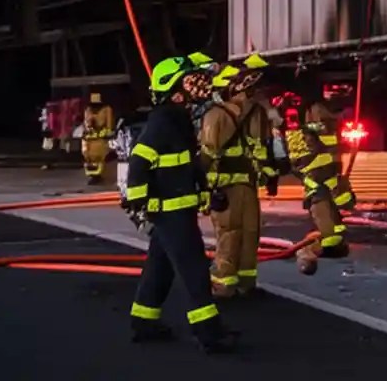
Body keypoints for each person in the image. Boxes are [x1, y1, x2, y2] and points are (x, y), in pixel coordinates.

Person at [122, 56, 237, 354]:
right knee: (194, 268)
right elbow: (139, 161)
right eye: (191, 81)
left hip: (176, 209)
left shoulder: (179, 119)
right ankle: (209, 332)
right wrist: (137, 201)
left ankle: (144, 320)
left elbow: (189, 163)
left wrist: (205, 191)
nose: (200, 86)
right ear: (172, 89)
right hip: (169, 211)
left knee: (160, 267)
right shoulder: (163, 121)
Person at [199, 56, 279, 299]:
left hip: (225, 188)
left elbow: (207, 155)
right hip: (248, 185)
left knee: (229, 234)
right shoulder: (258, 113)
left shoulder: (216, 115)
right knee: (249, 233)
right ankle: (246, 284)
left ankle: (224, 285)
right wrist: (270, 175)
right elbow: (264, 148)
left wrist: (202, 191)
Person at [273, 77, 357, 276]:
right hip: (317, 164)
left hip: (310, 165)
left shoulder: (297, 118)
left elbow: (287, 147)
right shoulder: (310, 114)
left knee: (318, 196)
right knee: (325, 194)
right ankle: (333, 239)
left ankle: (330, 240)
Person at [82, 92, 116, 185]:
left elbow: (109, 125)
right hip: (90, 138)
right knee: (89, 157)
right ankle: (92, 176)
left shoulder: (106, 109)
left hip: (101, 138)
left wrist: (107, 133)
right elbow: (86, 123)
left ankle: (100, 175)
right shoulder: (88, 110)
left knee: (100, 157)